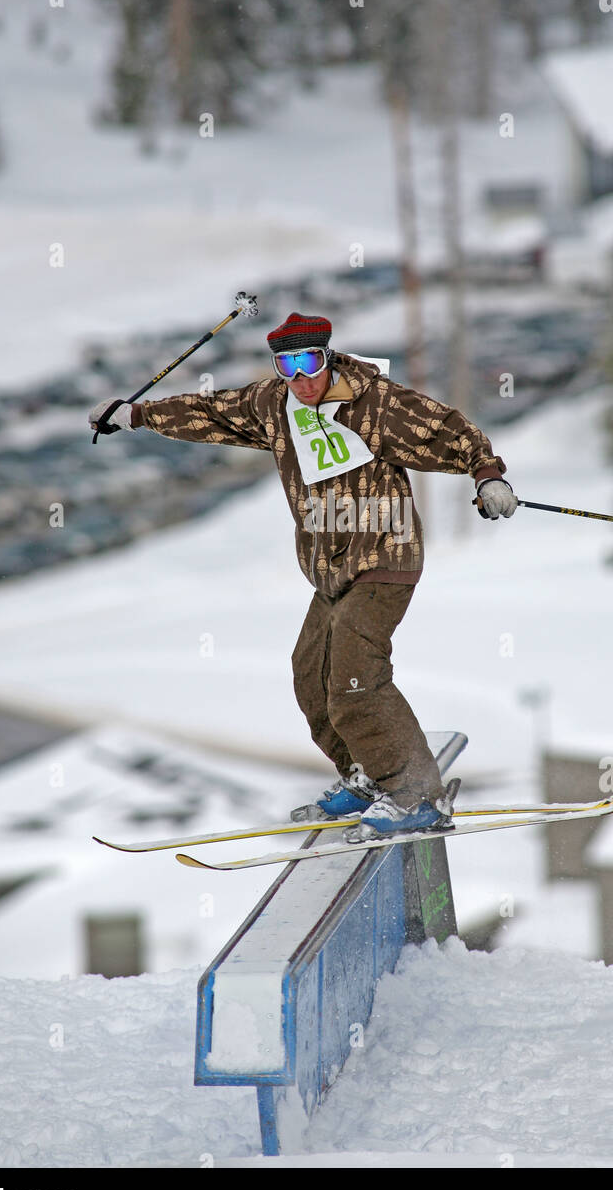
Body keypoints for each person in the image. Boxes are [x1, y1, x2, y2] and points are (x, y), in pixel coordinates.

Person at [89, 312, 517, 840]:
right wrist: (136, 415)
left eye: (309, 362)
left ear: (328, 356)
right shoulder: (275, 405)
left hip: (386, 554)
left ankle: (416, 795)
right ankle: (364, 774)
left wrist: (487, 475)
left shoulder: (374, 403)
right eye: (287, 366)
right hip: (331, 569)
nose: (302, 378)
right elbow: (210, 411)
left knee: (355, 679)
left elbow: (446, 429)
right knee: (310, 675)